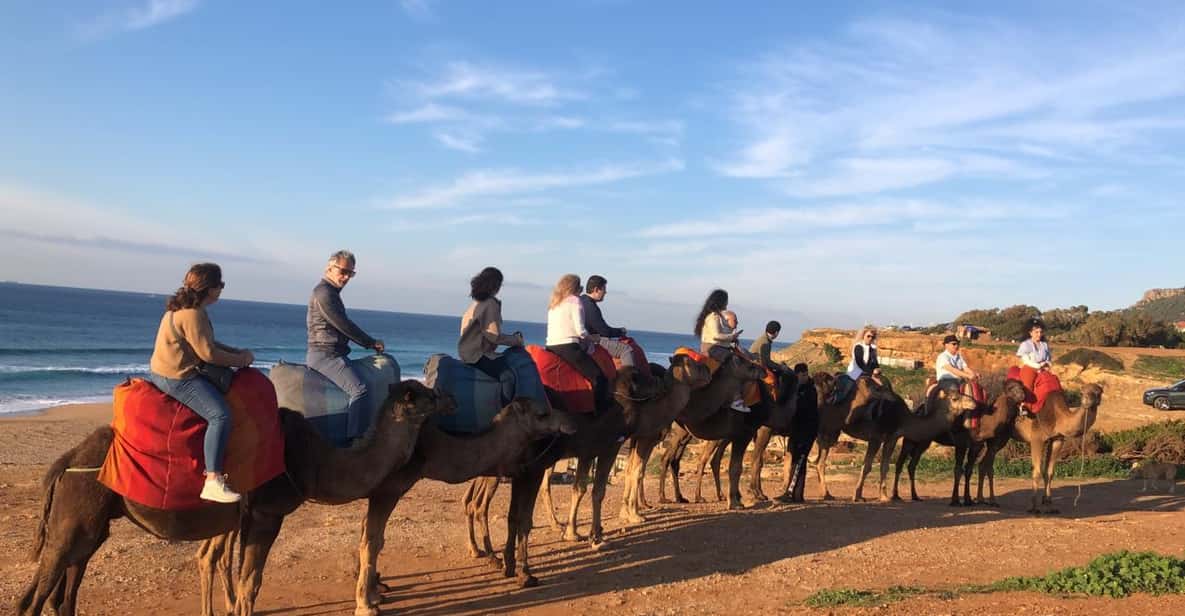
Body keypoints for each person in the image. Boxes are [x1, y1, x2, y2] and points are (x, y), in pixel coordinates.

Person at [148, 263, 254, 503]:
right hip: (178, 377)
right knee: (221, 415)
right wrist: (241, 360)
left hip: (167, 370)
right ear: (210, 288)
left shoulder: (186, 308)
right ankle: (213, 480)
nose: (221, 290)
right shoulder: (193, 314)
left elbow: (207, 342)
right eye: (221, 285)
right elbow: (208, 353)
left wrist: (236, 352)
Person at [306, 250, 385, 440]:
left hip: (333, 353)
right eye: (343, 271)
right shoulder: (324, 293)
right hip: (325, 355)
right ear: (329, 268)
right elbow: (343, 324)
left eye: (351, 273)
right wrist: (370, 343)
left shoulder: (331, 292)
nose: (346, 277)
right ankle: (355, 441)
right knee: (360, 390)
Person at [545, 274, 610, 413]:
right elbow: (580, 331)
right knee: (599, 379)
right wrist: (593, 338)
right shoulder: (574, 300)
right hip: (569, 347)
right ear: (575, 287)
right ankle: (599, 417)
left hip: (550, 347)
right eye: (580, 286)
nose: (581, 290)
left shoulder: (554, 302)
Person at [458, 266, 525, 384]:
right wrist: (517, 340)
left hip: (466, 355)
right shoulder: (490, 303)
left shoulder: (475, 304)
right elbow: (494, 336)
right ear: (496, 285)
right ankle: (506, 402)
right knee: (511, 375)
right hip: (478, 357)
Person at [694, 289, 748, 412]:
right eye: (726, 301)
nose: (727, 304)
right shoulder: (713, 316)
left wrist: (731, 341)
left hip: (716, 347)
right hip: (713, 349)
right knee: (736, 363)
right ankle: (736, 399)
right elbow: (716, 336)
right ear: (721, 301)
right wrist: (732, 337)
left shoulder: (714, 316)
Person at [780, 363, 819, 503]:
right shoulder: (801, 389)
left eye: (804, 375)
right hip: (799, 430)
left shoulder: (809, 391)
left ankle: (791, 493)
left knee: (799, 462)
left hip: (806, 431)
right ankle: (797, 495)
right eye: (801, 375)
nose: (803, 377)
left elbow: (802, 410)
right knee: (798, 463)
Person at [580, 275, 635, 368]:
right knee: (626, 350)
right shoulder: (591, 307)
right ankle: (629, 379)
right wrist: (621, 331)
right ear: (596, 289)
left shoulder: (581, 300)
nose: (605, 292)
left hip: (585, 338)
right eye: (604, 289)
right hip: (591, 340)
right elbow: (604, 331)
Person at [1016, 319, 1052, 417]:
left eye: (1040, 332)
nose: (1039, 334)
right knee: (1028, 386)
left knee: (1054, 381)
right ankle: (1025, 407)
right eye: (1036, 332)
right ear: (1030, 333)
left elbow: (1048, 358)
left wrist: (1047, 364)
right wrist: (1038, 366)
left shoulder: (1044, 345)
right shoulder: (1025, 344)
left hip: (1043, 369)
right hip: (1030, 369)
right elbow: (1026, 360)